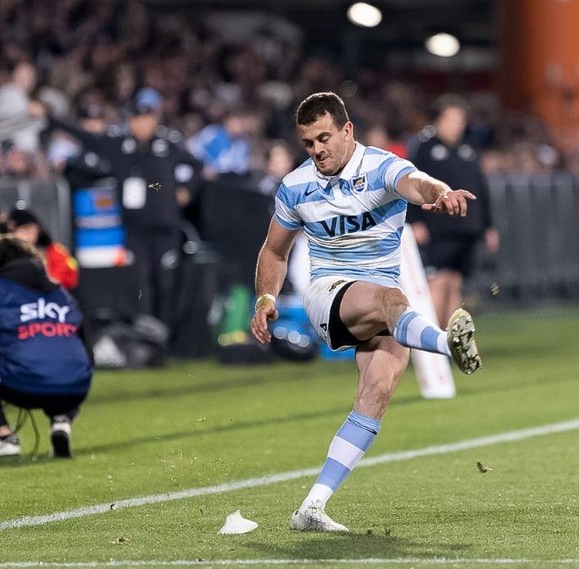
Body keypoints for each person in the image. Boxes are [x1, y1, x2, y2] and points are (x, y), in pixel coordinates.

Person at [251, 92, 483, 533]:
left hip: (378, 303)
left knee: (376, 392)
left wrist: (441, 193)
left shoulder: (380, 167)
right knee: (391, 300)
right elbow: (275, 251)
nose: (317, 150)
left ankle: (312, 507)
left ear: (347, 130)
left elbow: (417, 183)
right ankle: (446, 344)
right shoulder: (296, 186)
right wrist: (266, 298)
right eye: (308, 143)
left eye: (324, 138)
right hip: (328, 294)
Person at [32, 88, 202, 329]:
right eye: (136, 119)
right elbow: (84, 136)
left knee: (165, 283)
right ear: (130, 121)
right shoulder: (119, 145)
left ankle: (165, 335)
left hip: (165, 229)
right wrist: (50, 118)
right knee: (139, 285)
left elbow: (196, 165)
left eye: (146, 119)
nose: (141, 124)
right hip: (135, 230)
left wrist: (186, 189)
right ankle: (145, 335)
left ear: (154, 120)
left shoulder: (168, 143)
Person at [0, 236, 93, 459]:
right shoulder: (61, 292)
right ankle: (62, 420)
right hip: (76, 387)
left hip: (22, 383)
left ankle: (4, 436)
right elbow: (86, 347)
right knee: (70, 364)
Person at [407, 94, 499, 325]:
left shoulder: (471, 147)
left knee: (456, 282)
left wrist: (488, 225)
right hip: (437, 227)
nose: (456, 124)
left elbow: (481, 188)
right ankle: (431, 334)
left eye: (460, 119)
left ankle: (449, 337)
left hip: (467, 227)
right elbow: (412, 185)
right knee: (438, 280)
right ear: (438, 120)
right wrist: (416, 220)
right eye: (450, 119)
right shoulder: (424, 149)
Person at [0, 207, 79, 290]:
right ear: (12, 231)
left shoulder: (52, 249)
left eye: (33, 229)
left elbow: (70, 275)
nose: (29, 235)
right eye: (24, 230)